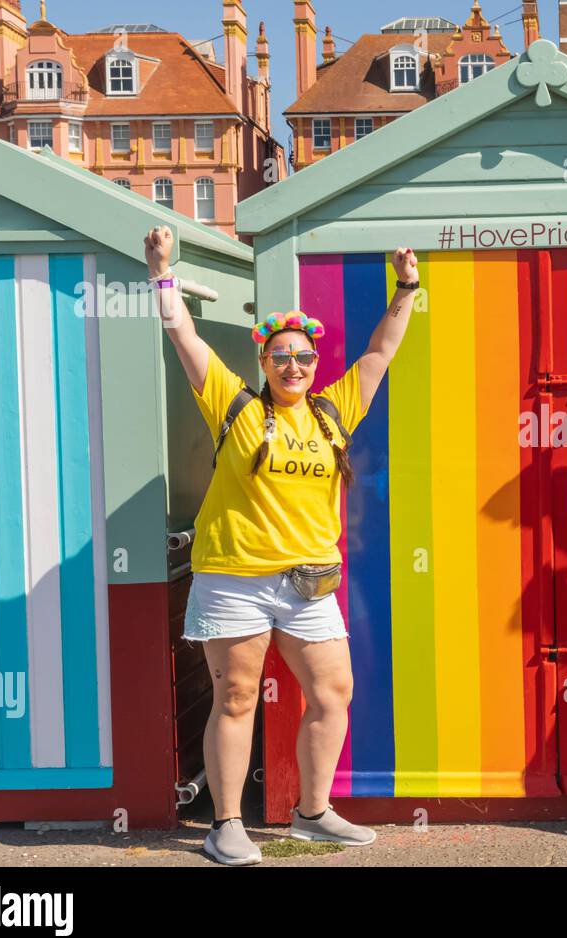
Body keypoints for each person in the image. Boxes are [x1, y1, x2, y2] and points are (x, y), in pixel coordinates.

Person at [144, 225, 418, 865]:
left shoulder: (332, 412)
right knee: (236, 697)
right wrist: (162, 273)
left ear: (315, 364)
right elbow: (183, 335)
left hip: (308, 584)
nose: (294, 365)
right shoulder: (233, 406)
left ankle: (312, 813)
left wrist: (407, 287)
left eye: (303, 357)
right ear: (262, 361)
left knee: (333, 693)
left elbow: (379, 354)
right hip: (234, 579)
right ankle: (228, 824)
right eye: (281, 356)